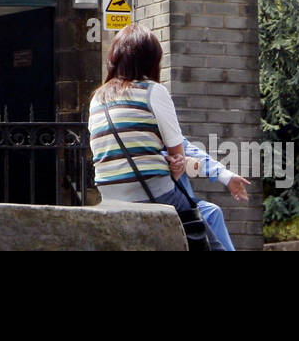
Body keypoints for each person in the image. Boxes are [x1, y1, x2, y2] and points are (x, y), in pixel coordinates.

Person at [88, 24, 225, 250]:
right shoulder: (153, 91)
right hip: (152, 191)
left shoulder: (97, 98)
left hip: (109, 194)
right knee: (212, 243)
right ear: (150, 60)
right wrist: (172, 161)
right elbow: (177, 156)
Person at [178, 137, 251, 252]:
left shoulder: (169, 126)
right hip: (157, 197)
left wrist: (225, 175)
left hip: (181, 200)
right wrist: (173, 159)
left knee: (212, 212)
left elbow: (188, 148)